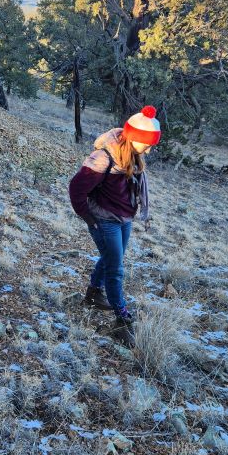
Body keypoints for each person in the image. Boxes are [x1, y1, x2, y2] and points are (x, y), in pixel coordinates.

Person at [68, 106, 161, 346]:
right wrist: (88, 218)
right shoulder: (103, 157)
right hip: (104, 219)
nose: (149, 150)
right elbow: (77, 188)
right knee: (116, 267)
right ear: (135, 138)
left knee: (111, 258)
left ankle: (93, 293)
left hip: (123, 217)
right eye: (147, 144)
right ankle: (122, 320)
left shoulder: (133, 155)